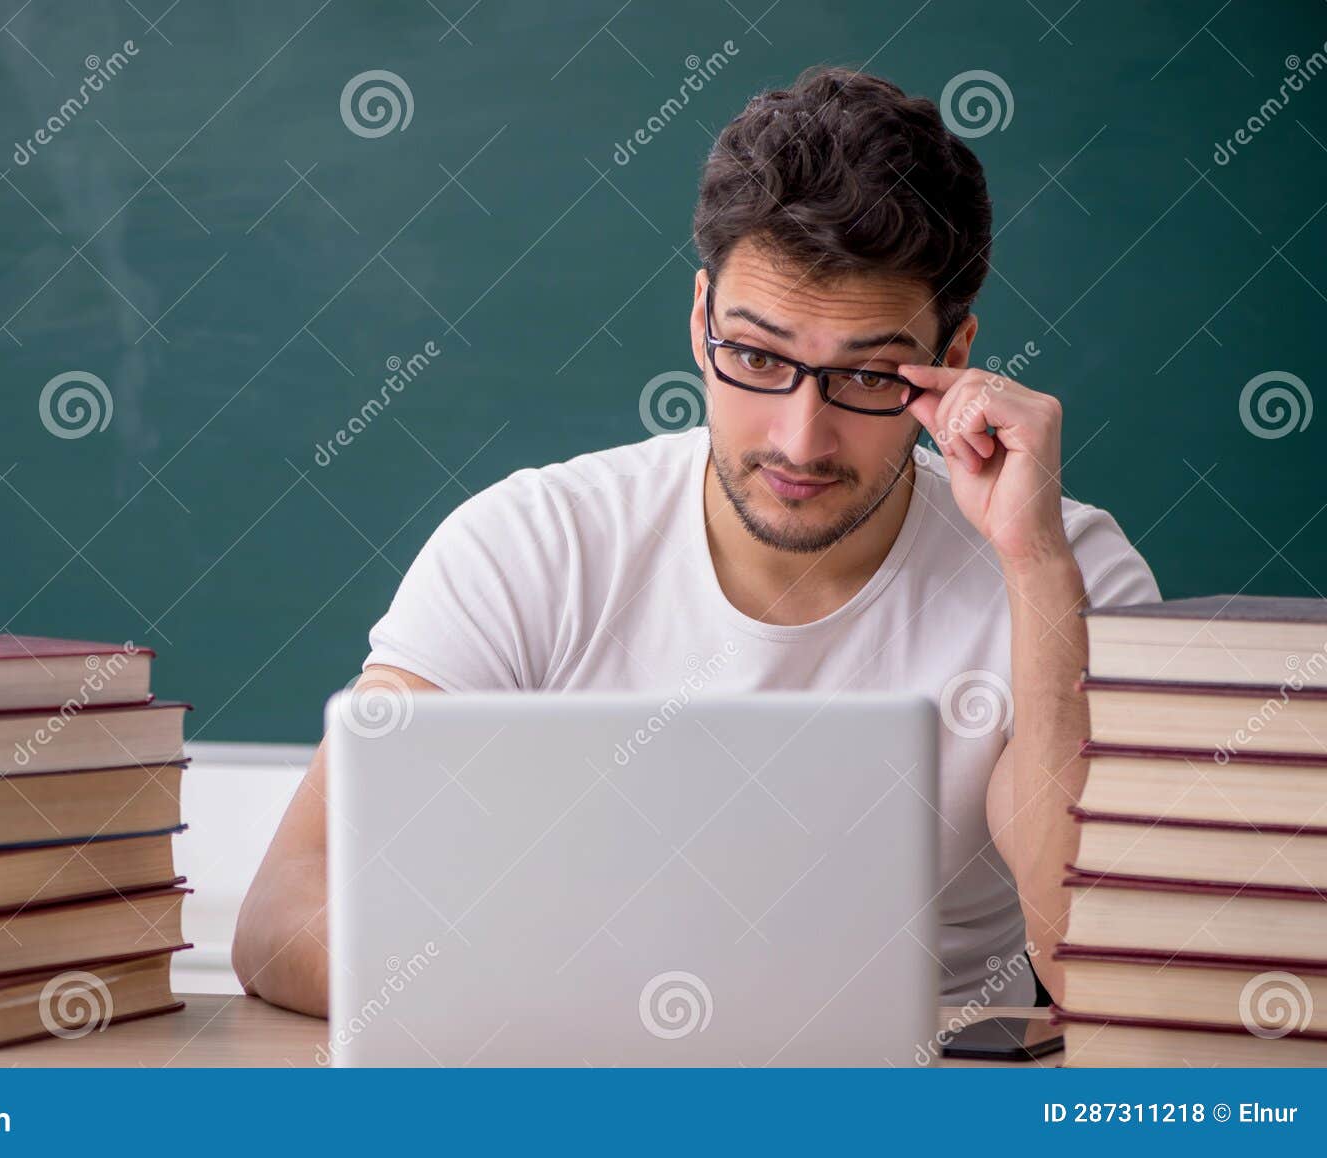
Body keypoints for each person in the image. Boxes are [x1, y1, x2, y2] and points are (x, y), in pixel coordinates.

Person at [232, 65, 1159, 1018]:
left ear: (953, 362)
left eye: (872, 375)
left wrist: (1036, 569)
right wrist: (595, 1022)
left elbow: (1097, 959)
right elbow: (280, 916)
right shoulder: (531, 546)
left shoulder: (1068, 569)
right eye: (758, 358)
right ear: (699, 321)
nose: (801, 439)